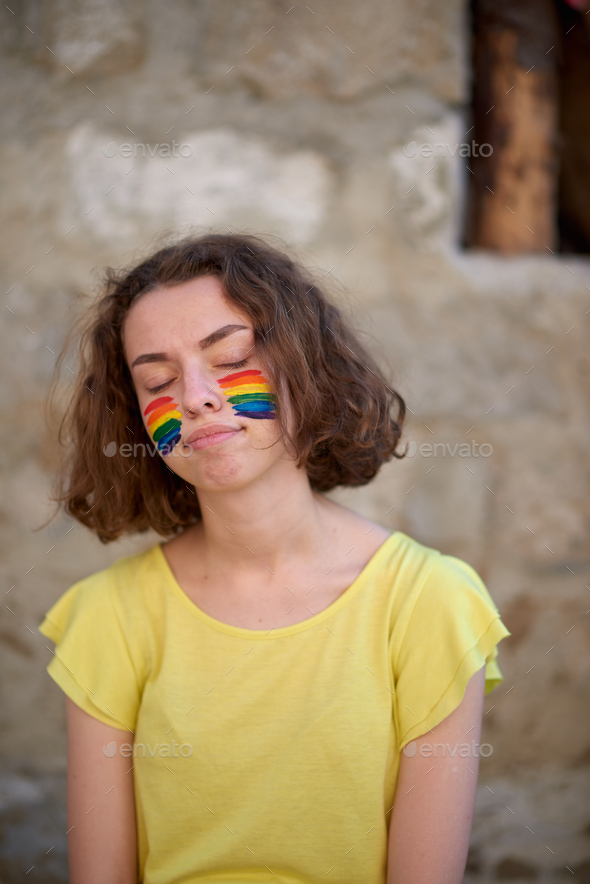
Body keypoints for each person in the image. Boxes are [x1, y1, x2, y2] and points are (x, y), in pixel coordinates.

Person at [39, 233, 510, 884]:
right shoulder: (107, 618)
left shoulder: (431, 603)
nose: (196, 396)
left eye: (229, 355)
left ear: (303, 363)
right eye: (158, 379)